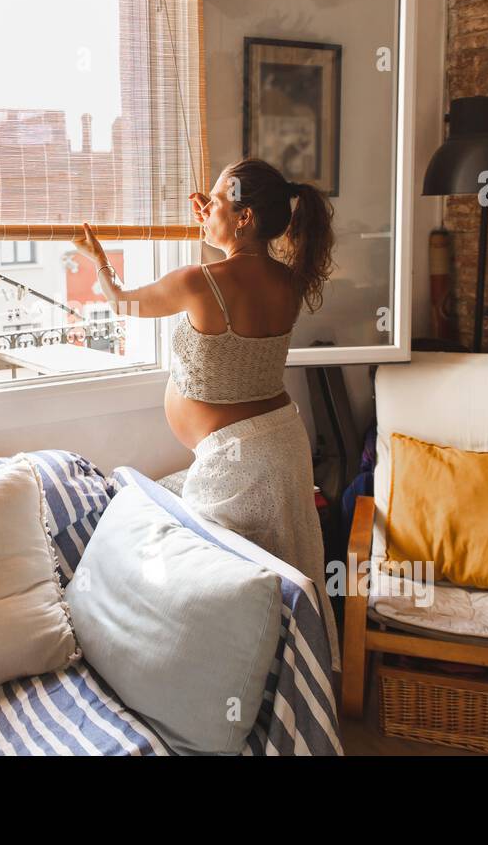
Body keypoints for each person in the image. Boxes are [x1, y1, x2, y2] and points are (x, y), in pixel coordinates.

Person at [73, 157, 339, 661]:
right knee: (277, 582)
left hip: (240, 463)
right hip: (282, 445)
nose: (203, 207)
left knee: (214, 584)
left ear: (244, 218)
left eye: (214, 200)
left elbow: (123, 301)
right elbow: (239, 270)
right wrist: (217, 213)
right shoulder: (290, 281)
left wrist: (98, 257)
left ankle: (209, 682)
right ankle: (287, 688)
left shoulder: (199, 281)